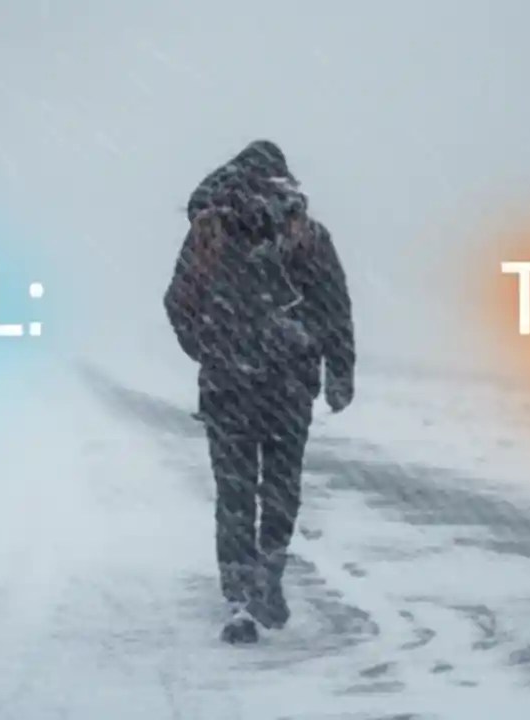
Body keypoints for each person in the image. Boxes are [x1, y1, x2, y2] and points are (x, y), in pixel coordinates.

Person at [163, 141, 355, 644]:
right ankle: (269, 570)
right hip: (288, 386)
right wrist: (337, 369)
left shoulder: (209, 235)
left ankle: (240, 601)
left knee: (235, 494)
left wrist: (209, 348)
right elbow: (334, 307)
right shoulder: (306, 235)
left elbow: (178, 302)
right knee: (281, 488)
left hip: (227, 386)